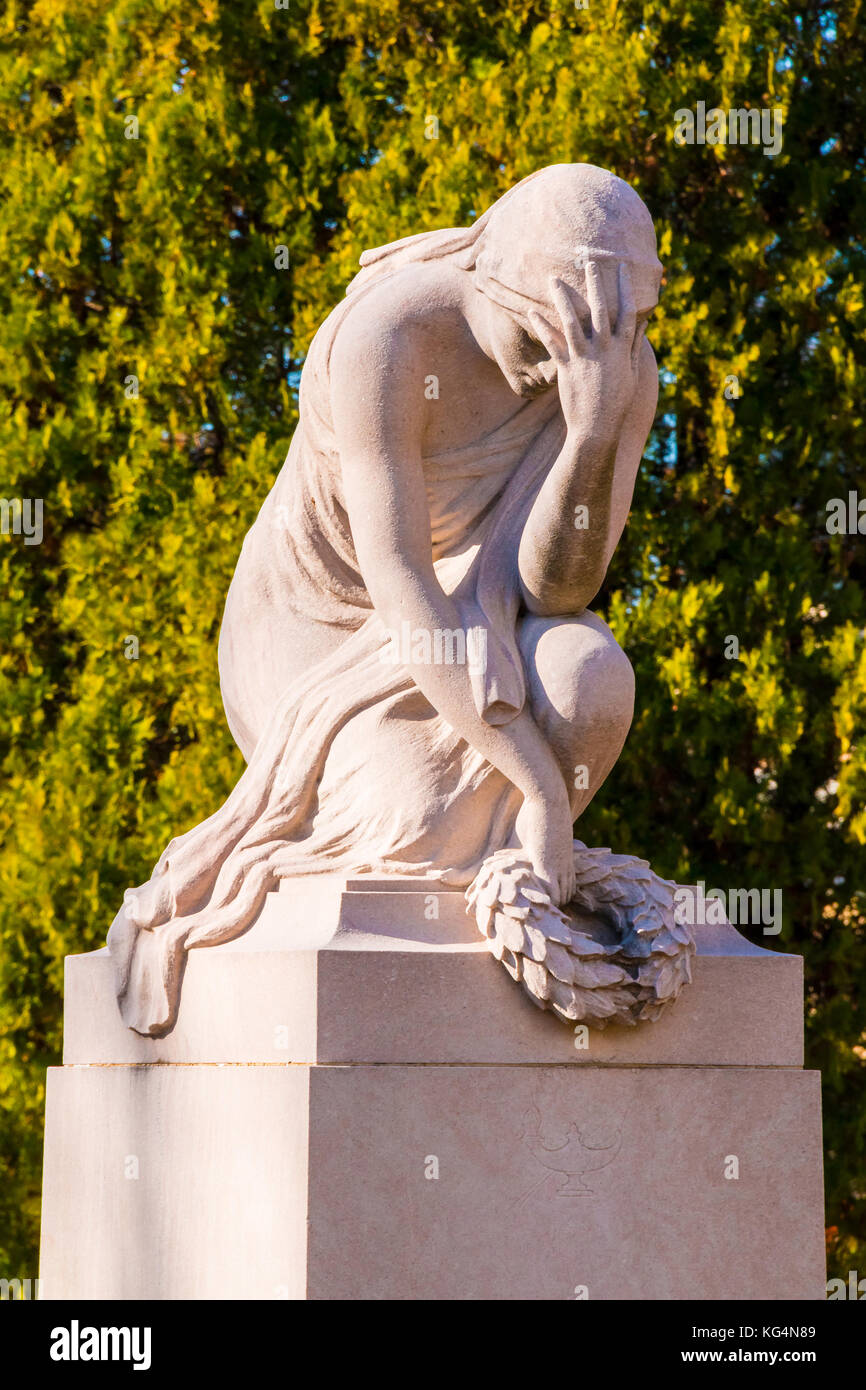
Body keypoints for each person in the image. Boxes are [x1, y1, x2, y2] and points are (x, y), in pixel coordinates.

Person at [108, 162, 663, 1035]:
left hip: (483, 613)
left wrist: (591, 430)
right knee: (414, 816)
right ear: (495, 282)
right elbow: (401, 584)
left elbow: (559, 586)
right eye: (541, 344)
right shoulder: (391, 339)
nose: (556, 370)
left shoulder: (616, 370)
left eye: (607, 338)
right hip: (320, 625)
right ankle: (482, 847)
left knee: (592, 676)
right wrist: (540, 788)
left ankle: (505, 859)